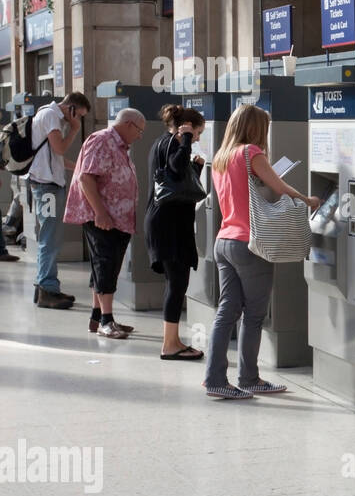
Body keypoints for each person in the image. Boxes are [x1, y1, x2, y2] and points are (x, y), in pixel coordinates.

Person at [203, 103, 319, 399]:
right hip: (250, 244)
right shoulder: (250, 154)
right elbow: (279, 187)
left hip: (224, 241)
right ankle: (249, 378)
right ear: (257, 128)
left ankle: (215, 378)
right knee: (254, 315)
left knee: (227, 311)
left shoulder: (220, 157)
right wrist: (308, 199)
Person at [63, 107, 146, 339]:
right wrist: (100, 212)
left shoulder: (118, 144)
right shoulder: (102, 141)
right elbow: (86, 177)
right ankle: (106, 321)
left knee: (103, 267)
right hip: (104, 217)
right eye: (139, 131)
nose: (140, 136)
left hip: (116, 217)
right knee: (106, 265)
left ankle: (97, 315)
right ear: (129, 124)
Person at [145, 104, 207, 361]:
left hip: (164, 222)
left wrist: (197, 168)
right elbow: (176, 168)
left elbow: (176, 181)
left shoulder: (162, 142)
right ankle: (169, 345)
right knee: (177, 282)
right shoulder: (174, 142)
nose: (199, 137)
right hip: (168, 224)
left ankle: (173, 340)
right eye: (198, 132)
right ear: (187, 128)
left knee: (175, 282)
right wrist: (187, 140)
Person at [29, 92, 92, 307]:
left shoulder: (48, 116)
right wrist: (74, 129)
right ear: (71, 108)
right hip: (47, 186)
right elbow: (60, 148)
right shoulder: (50, 116)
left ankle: (46, 287)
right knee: (50, 237)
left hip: (48, 183)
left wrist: (77, 167)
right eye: (78, 115)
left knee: (51, 237)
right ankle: (47, 288)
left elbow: (54, 157)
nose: (77, 120)